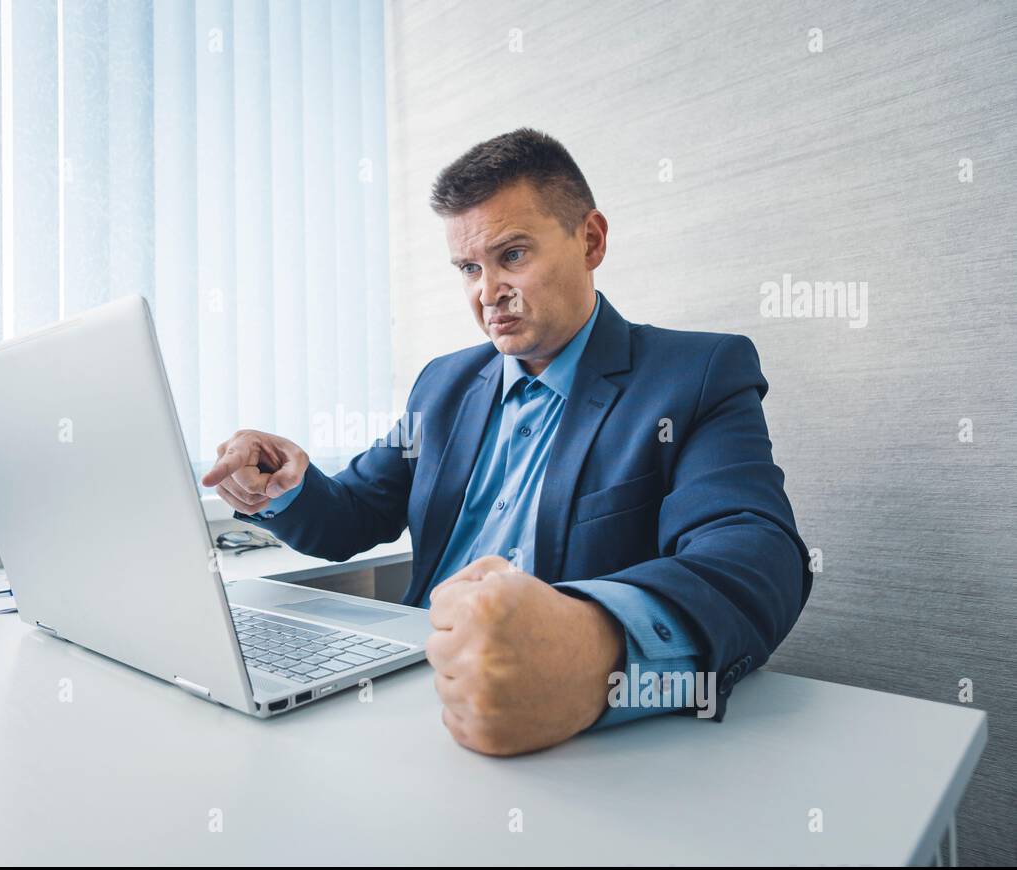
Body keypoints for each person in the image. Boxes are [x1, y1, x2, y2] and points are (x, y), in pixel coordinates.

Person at [203, 128, 812, 756]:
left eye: (513, 255)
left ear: (591, 240)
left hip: (563, 730)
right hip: (411, 688)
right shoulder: (444, 384)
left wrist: (594, 650)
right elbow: (356, 513)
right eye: (469, 267)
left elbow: (757, 555)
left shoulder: (696, 374)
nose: (486, 292)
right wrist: (287, 484)